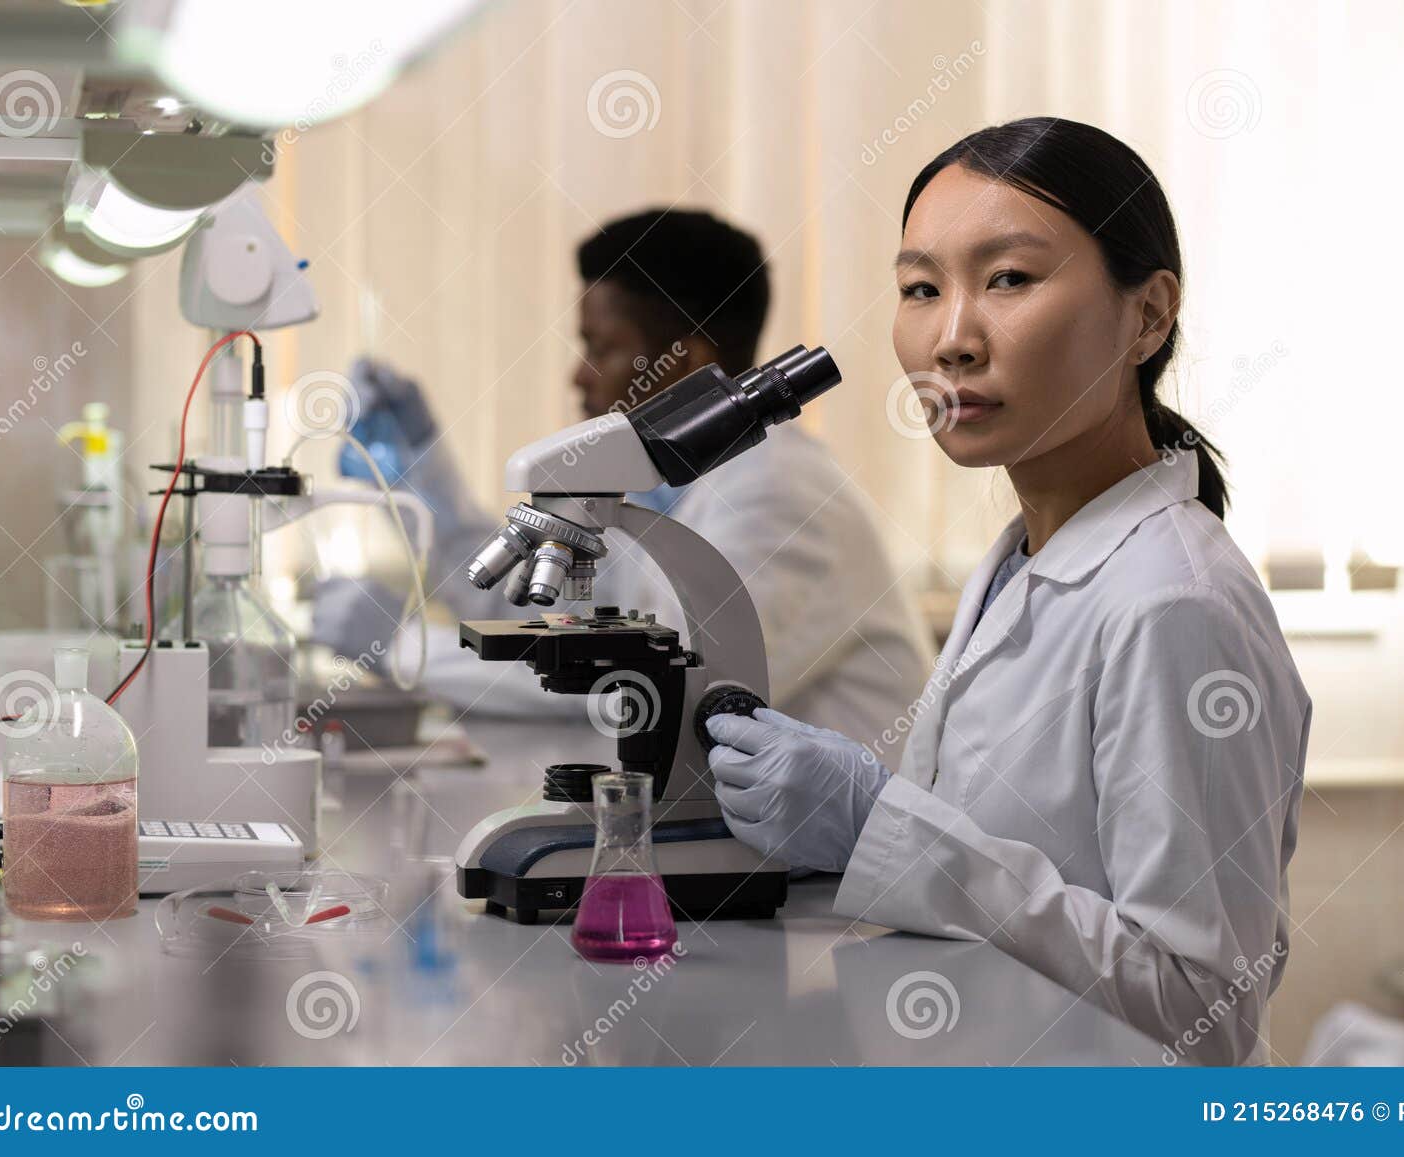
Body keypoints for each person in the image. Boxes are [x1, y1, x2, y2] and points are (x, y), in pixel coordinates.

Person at [704, 118, 1311, 1066]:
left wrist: (881, 825)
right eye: (920, 288)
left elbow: (1204, 1012)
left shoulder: (1175, 604)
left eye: (1010, 280)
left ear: (1148, 314)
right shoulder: (1026, 559)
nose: (950, 339)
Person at [313, 209, 933, 754]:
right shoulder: (672, 493)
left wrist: (401, 649)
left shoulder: (780, 496)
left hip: (834, 872)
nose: (578, 380)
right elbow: (540, 610)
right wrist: (423, 472)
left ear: (686, 364)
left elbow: (639, 692)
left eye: (601, 349)